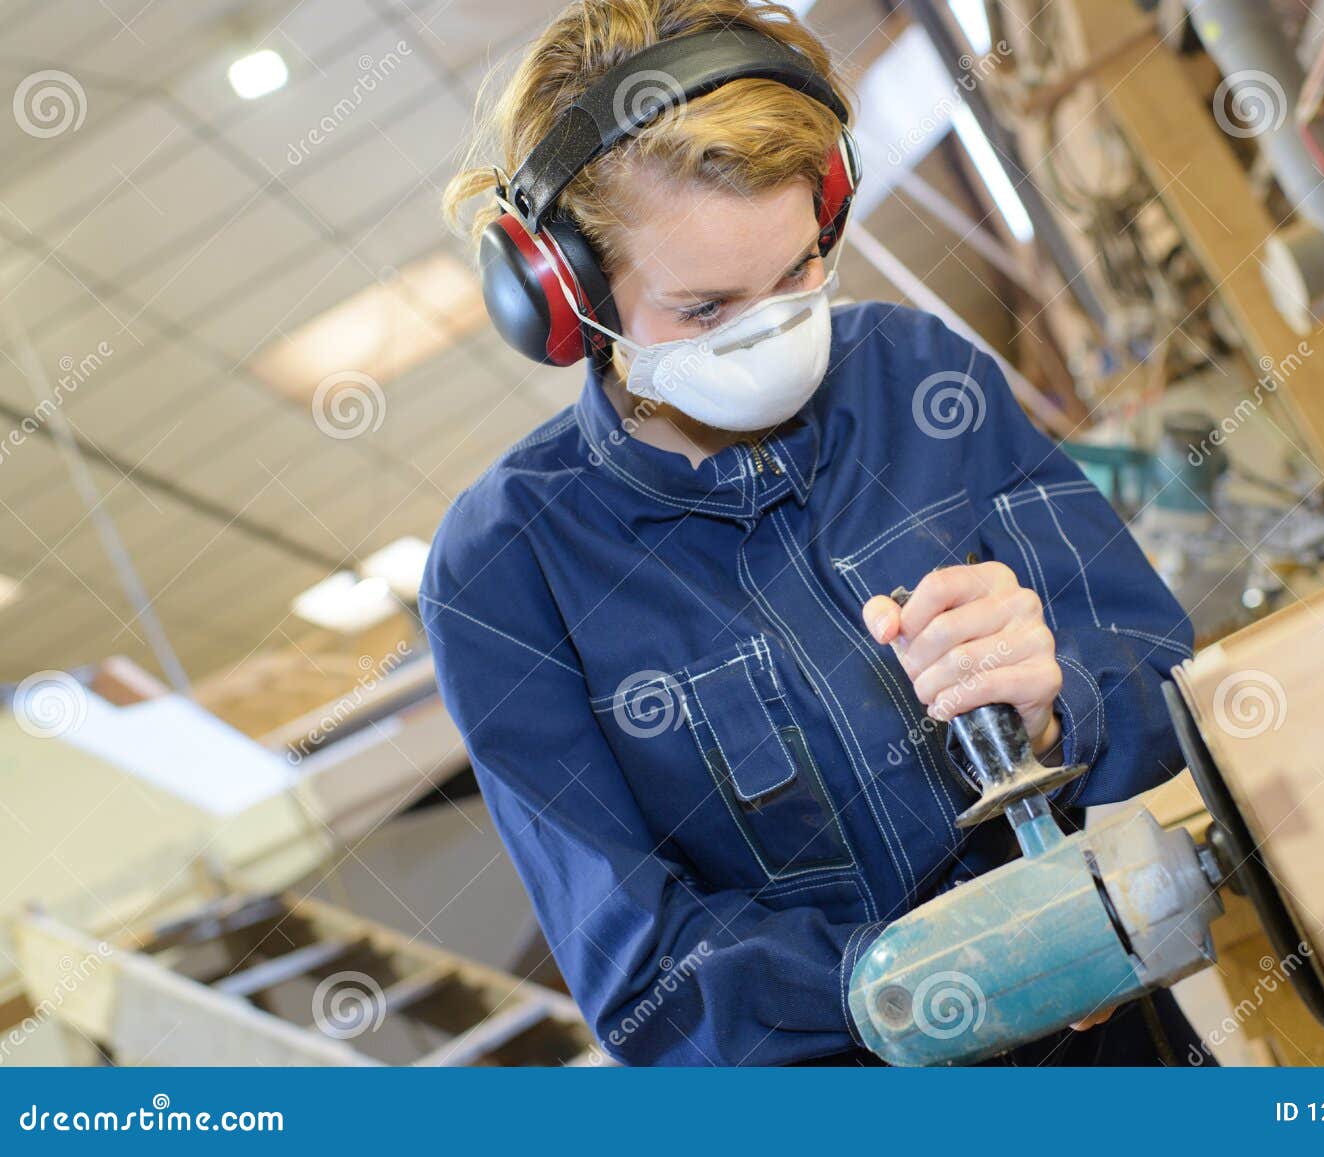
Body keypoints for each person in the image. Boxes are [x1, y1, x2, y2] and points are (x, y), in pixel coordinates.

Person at [423, 0, 1210, 1066]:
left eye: (798, 271)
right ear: (566, 298)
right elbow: (647, 982)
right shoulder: (506, 571)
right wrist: (931, 977)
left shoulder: (920, 378)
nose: (776, 332)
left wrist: (1058, 704)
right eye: (705, 309)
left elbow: (1164, 676)